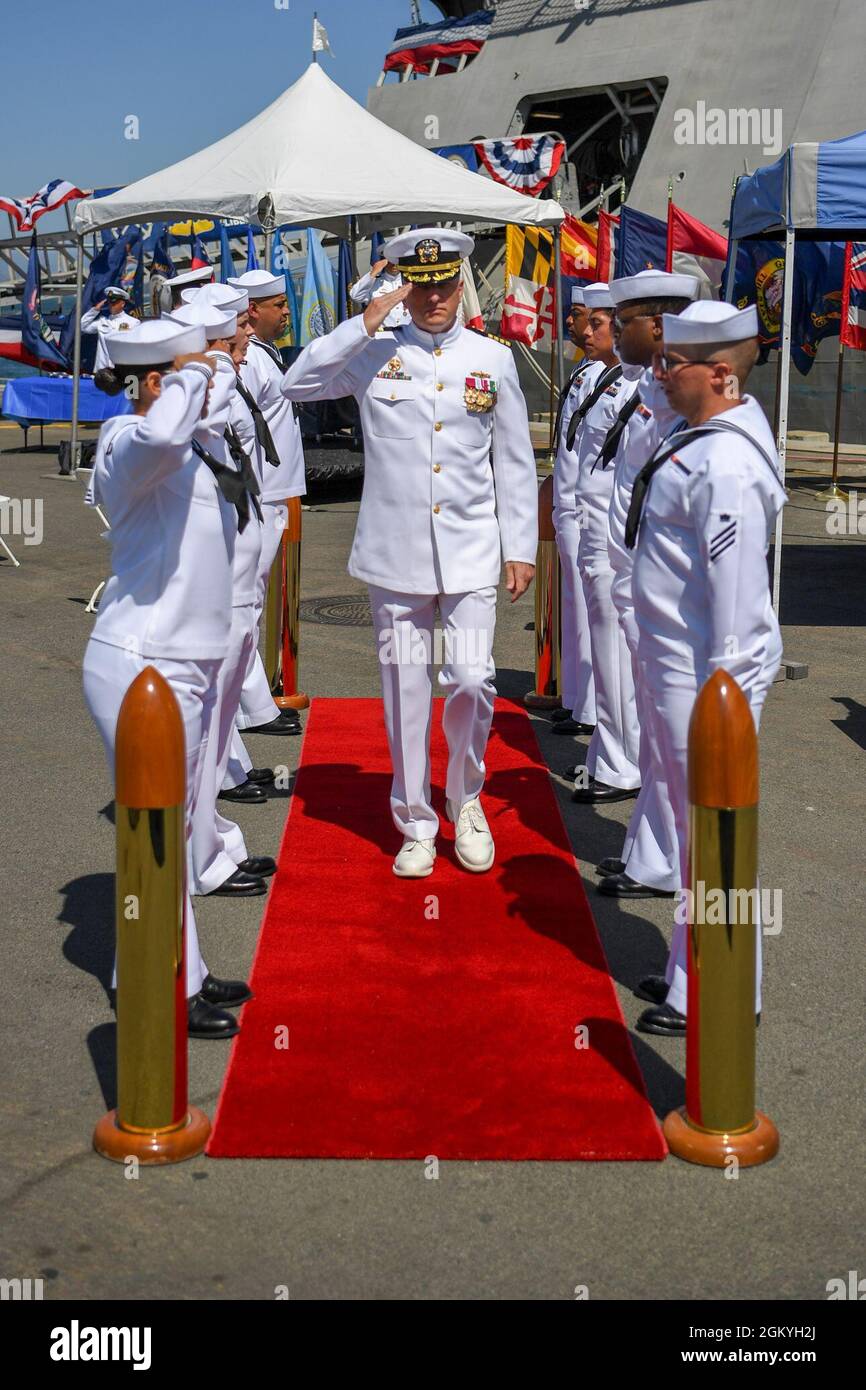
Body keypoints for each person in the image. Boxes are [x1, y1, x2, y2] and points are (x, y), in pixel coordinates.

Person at [280, 228, 538, 877]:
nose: (434, 299)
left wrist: (521, 546)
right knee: (404, 690)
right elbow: (295, 383)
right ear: (406, 288)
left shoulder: (491, 358)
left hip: (474, 549)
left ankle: (468, 797)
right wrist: (365, 319)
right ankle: (416, 820)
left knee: (473, 679)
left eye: (445, 284)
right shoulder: (373, 353)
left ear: (461, 284)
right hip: (396, 555)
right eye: (421, 286)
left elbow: (512, 458)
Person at [83, 319, 252, 1040]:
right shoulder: (127, 440)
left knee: (172, 826)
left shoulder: (189, 445)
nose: (212, 381)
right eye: (193, 375)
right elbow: (158, 438)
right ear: (158, 382)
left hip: (183, 660)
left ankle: (173, 960)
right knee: (154, 828)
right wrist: (190, 371)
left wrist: (206, 371)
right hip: (142, 663)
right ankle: (158, 983)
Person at [627, 301, 786, 1034]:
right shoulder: (698, 436)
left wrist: (725, 707)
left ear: (720, 374)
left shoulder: (723, 463)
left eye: (672, 363)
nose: (658, 373)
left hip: (707, 682)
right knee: (699, 840)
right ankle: (691, 974)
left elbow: (737, 611)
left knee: (716, 841)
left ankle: (720, 999)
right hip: (676, 670)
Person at [595, 269, 700, 901]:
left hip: (664, 598)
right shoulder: (650, 386)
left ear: (657, 326)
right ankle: (650, 857)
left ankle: (667, 867)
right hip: (637, 588)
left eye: (624, 319)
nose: (614, 329)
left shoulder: (681, 399)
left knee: (670, 740)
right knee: (659, 740)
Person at [166, 299, 273, 900]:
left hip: (234, 612)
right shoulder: (176, 441)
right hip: (206, 620)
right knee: (200, 741)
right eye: (228, 352)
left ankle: (212, 843)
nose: (236, 366)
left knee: (214, 732)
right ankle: (200, 857)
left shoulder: (209, 433)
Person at [569, 282, 642, 805]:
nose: (588, 331)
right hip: (598, 533)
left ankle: (623, 764)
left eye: (601, 324)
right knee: (606, 648)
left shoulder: (646, 390)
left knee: (617, 654)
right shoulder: (617, 382)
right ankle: (608, 753)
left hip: (617, 538)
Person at [227, 269, 307, 741]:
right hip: (261, 494)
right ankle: (249, 706)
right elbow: (238, 435)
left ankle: (250, 704)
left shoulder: (262, 355)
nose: (286, 312)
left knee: (251, 602)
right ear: (253, 310)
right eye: (278, 304)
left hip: (273, 493)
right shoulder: (250, 361)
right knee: (246, 603)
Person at [550, 285, 596, 739]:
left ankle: (592, 708)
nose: (570, 321)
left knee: (589, 611)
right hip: (568, 505)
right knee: (573, 607)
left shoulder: (613, 377)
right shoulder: (586, 369)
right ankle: (577, 698)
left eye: (579, 314)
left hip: (588, 510)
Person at [80, 287, 137, 372]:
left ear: (122, 304)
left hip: (122, 370)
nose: (111, 306)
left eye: (114, 303)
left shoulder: (133, 323)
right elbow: (83, 326)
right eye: (110, 303)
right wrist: (95, 310)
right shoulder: (103, 321)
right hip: (102, 370)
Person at [349, 255, 411, 329]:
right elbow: (355, 296)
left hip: (408, 333)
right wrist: (373, 272)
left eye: (396, 261)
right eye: (390, 261)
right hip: (383, 334)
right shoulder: (374, 283)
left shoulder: (410, 281)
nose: (394, 265)